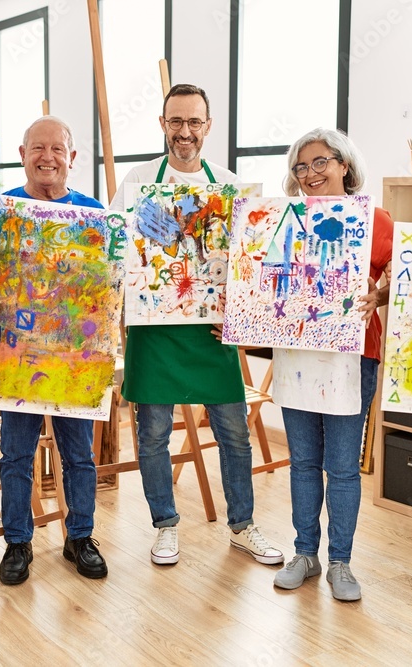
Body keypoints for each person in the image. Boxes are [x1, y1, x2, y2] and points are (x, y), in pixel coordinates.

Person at [113, 84, 283, 566]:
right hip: (153, 332)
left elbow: (250, 264)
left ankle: (243, 525)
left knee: (233, 434)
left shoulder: (229, 185)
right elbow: (114, 251)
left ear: (208, 126)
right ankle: (165, 526)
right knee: (152, 435)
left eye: (194, 122)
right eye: (175, 122)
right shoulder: (137, 183)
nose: (184, 132)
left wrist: (241, 312)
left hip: (212, 333)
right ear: (162, 123)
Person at [0, 116, 108, 585]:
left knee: (80, 456)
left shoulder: (94, 214)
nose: (47, 157)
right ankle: (17, 543)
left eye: (57, 148)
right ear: (23, 153)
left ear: (72, 157)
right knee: (15, 455)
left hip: (75, 359)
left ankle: (80, 537)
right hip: (14, 358)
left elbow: (108, 287)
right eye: (38, 148)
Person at [265, 129, 393, 600]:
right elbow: (262, 280)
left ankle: (341, 561)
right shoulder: (283, 220)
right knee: (302, 462)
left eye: (320, 163)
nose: (310, 174)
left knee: (341, 467)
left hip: (352, 357)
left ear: (344, 164)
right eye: (301, 168)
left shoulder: (374, 220)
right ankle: (305, 553)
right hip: (297, 354)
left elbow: (407, 279)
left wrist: (377, 295)